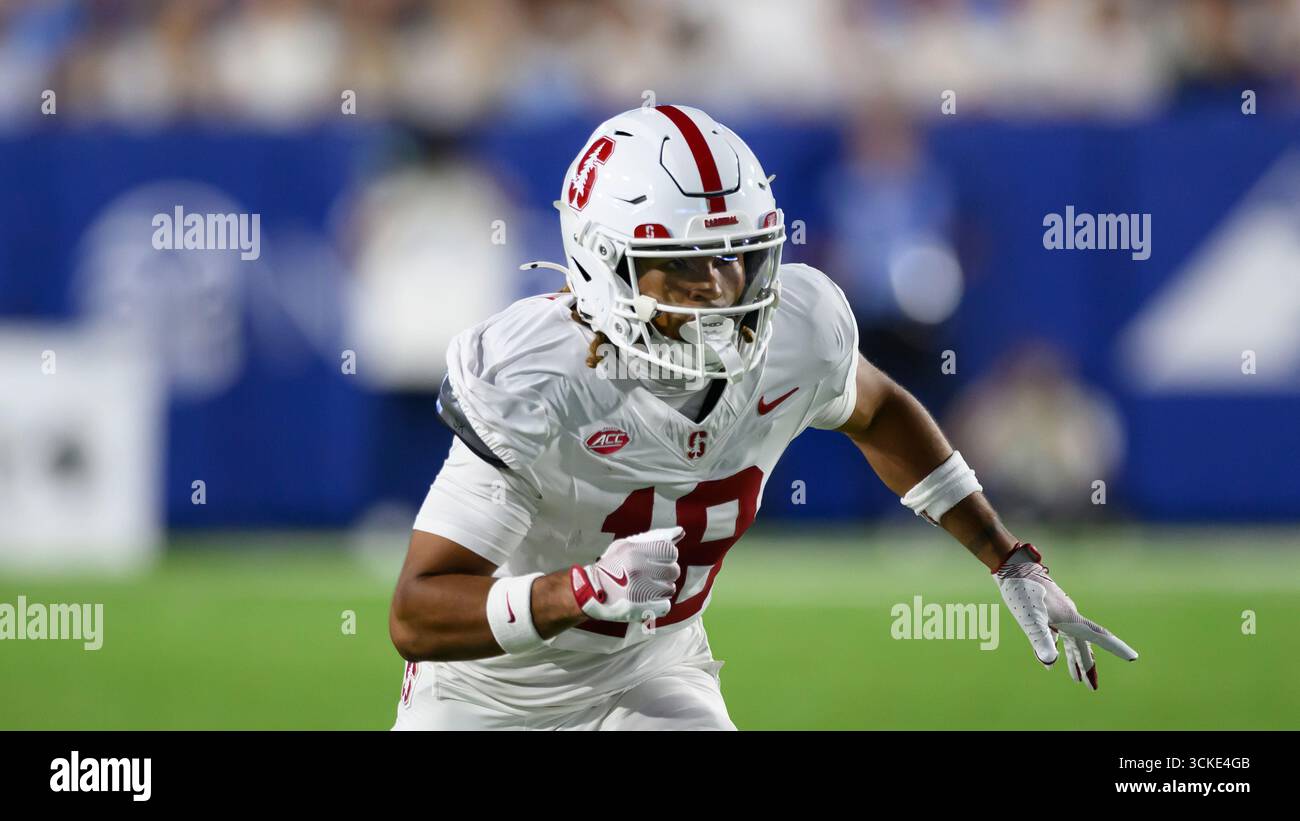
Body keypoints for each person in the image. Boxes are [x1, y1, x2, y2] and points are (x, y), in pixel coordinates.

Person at [388, 105, 1137, 730]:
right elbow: (418, 613)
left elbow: (877, 409)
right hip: (488, 695)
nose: (720, 288)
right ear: (602, 263)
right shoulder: (540, 372)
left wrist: (1007, 557)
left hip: (651, 670)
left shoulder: (796, 328)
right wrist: (575, 591)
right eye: (684, 262)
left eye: (734, 257)